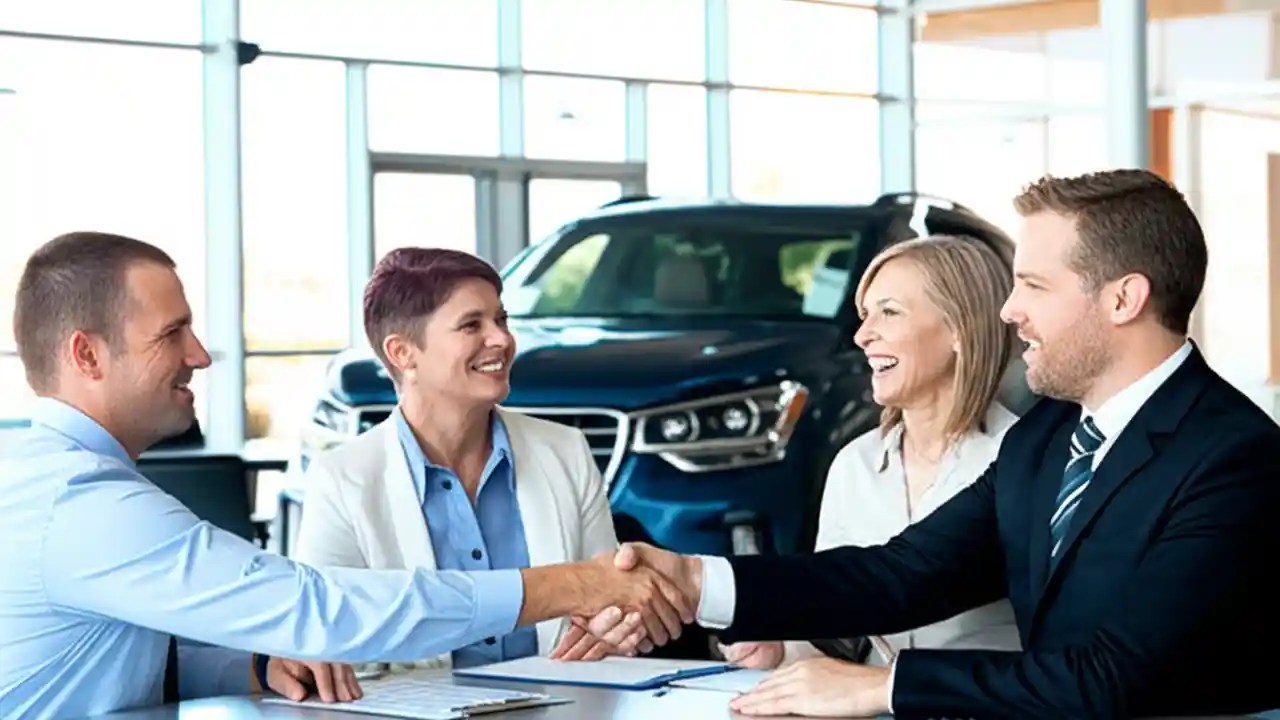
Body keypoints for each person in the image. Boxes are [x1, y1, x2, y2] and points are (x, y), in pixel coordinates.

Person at [595, 169, 1280, 718]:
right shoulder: (1049, 438)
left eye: (1034, 286)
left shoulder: (1235, 457)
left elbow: (1114, 678)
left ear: (1124, 299)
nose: (1010, 312)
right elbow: (901, 574)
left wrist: (879, 687)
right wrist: (695, 580)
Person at [0, 232, 689, 719]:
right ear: (87, 355)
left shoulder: (54, 482)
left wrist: (250, 666)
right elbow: (316, 610)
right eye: (171, 333)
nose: (202, 355)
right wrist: (571, 584)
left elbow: (111, 657)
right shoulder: (86, 504)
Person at [269, 248, 632, 693]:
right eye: (471, 325)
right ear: (403, 353)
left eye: (502, 320)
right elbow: (332, 641)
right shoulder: (341, 479)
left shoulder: (565, 451)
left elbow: (612, 601)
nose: (501, 339)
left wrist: (615, 627)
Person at [717, 235, 1021, 674]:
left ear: (960, 329)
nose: (862, 336)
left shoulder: (1024, 462)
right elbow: (841, 624)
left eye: (890, 312)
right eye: (864, 315)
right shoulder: (854, 464)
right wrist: (784, 648)